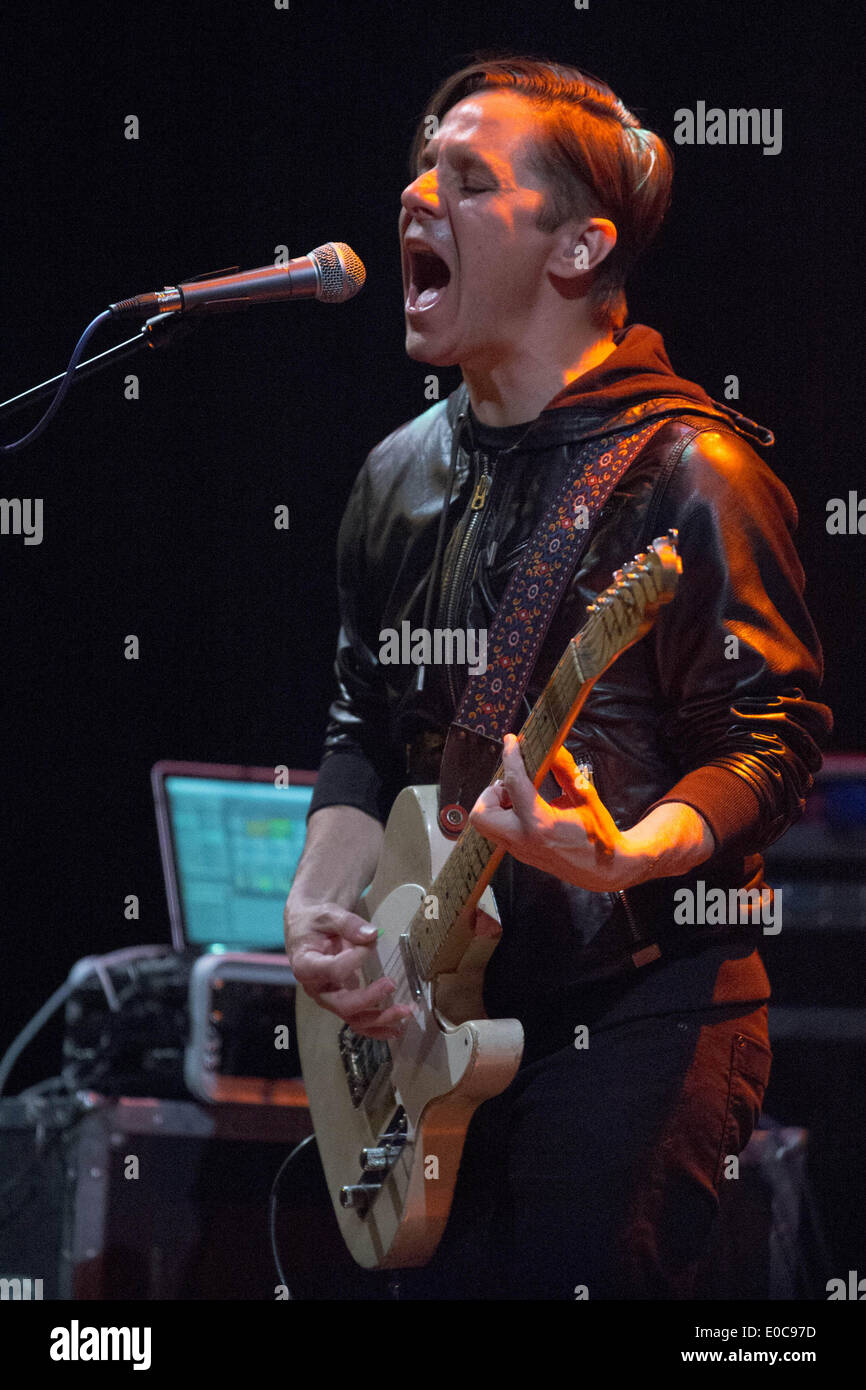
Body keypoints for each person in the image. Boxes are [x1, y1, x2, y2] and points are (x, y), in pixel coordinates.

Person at [284, 55, 832, 1300]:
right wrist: (319, 907)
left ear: (578, 248)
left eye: (467, 180)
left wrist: (628, 853)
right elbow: (362, 719)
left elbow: (771, 732)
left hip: (637, 1010)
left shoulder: (695, 472)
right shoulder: (394, 473)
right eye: (421, 166)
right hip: (439, 1018)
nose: (417, 195)